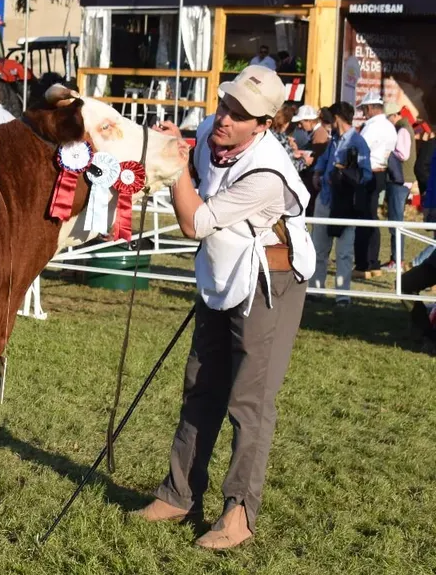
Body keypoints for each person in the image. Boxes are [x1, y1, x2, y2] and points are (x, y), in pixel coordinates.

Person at [134, 65, 314, 551]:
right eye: (225, 106)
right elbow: (201, 175)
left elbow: (196, 222)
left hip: (268, 282)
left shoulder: (269, 173)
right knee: (201, 384)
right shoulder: (217, 137)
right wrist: (180, 150)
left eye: (241, 114)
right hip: (222, 274)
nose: (226, 119)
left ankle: (239, 513)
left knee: (248, 402)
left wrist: (174, 171)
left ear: (264, 124)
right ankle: (179, 494)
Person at [309, 102, 371, 306]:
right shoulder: (334, 140)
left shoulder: (358, 143)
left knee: (344, 252)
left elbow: (366, 175)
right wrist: (318, 172)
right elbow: (324, 160)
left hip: (345, 204)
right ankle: (316, 290)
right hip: (325, 200)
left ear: (337, 118)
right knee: (319, 248)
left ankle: (342, 296)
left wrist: (343, 174)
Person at [354, 92, 396, 278]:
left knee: (363, 218)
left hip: (367, 173)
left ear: (371, 108)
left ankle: (364, 264)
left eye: (364, 109)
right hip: (381, 172)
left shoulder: (371, 127)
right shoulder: (389, 126)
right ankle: (373, 262)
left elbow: (360, 148)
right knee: (371, 217)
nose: (363, 113)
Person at [383, 101, 413, 271]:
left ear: (394, 116)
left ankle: (397, 261)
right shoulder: (405, 128)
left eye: (389, 118)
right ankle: (396, 259)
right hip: (402, 180)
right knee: (396, 222)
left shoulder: (402, 130)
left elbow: (403, 154)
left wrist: (388, 151)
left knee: (396, 223)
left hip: (399, 181)